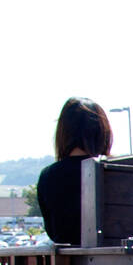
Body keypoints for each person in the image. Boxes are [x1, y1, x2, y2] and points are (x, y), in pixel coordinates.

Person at [36, 97, 113, 244]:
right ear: (102, 132)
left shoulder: (48, 177)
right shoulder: (116, 171)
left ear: (63, 133)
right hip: (124, 261)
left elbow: (53, 232)